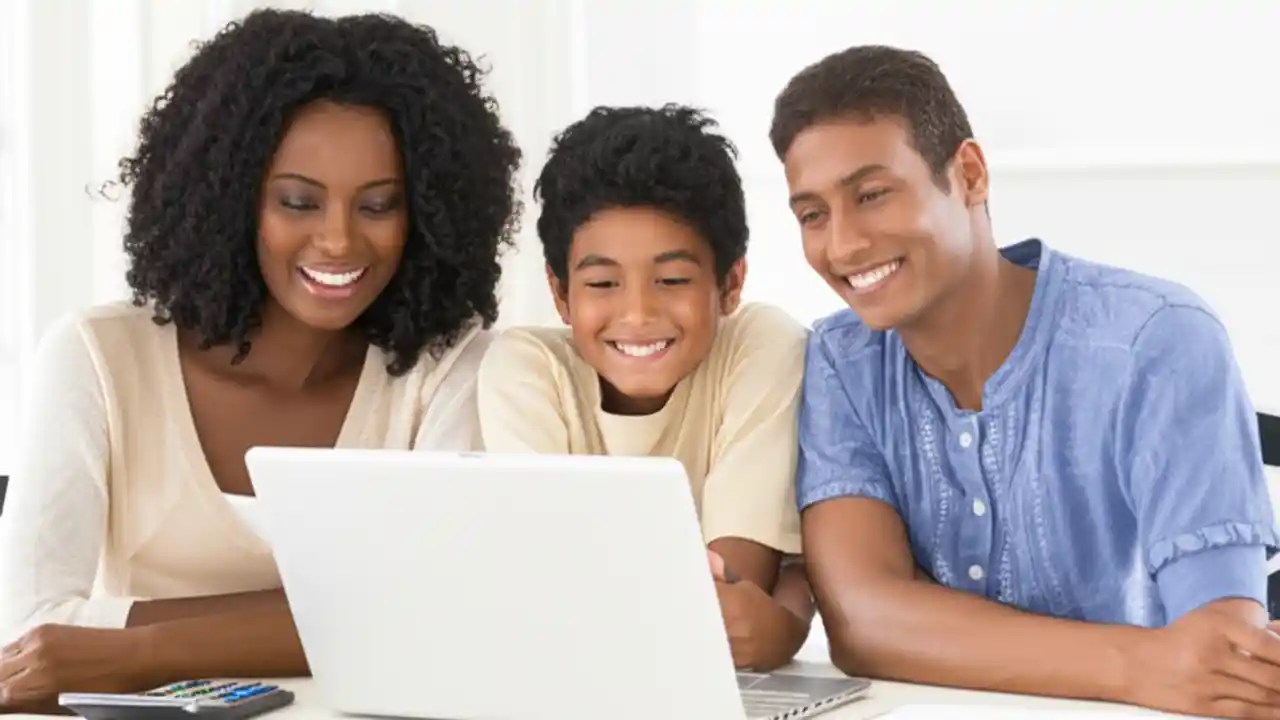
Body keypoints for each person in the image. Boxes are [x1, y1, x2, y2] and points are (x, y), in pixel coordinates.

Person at [0, 9, 520, 710]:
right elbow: (31, 630)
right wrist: (340, 615)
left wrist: (136, 651)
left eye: (378, 205)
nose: (337, 241)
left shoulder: (449, 367)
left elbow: (443, 612)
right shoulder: (97, 358)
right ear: (229, 198)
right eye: (298, 201)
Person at [774, 45, 1280, 718]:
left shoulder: (1158, 340)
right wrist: (1139, 661)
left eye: (871, 195)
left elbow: (1224, 662)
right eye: (812, 215)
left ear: (970, 175)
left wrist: (928, 624)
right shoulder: (840, 362)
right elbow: (865, 622)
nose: (841, 246)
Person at [476, 105, 813, 671]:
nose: (636, 314)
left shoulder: (760, 344)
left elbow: (729, 595)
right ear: (561, 295)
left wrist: (783, 609)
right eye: (603, 283)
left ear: (730, 284)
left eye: (673, 280)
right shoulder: (526, 368)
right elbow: (546, 589)